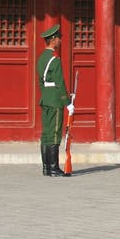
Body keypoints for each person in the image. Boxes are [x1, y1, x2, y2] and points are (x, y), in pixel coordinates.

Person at [36, 24, 72, 177]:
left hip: (45, 98)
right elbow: (60, 82)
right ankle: (53, 168)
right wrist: (67, 102)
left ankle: (46, 167)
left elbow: (41, 82)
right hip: (55, 100)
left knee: (46, 133)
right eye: (59, 38)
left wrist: (46, 94)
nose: (60, 41)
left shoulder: (42, 58)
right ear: (53, 40)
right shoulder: (54, 59)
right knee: (55, 133)